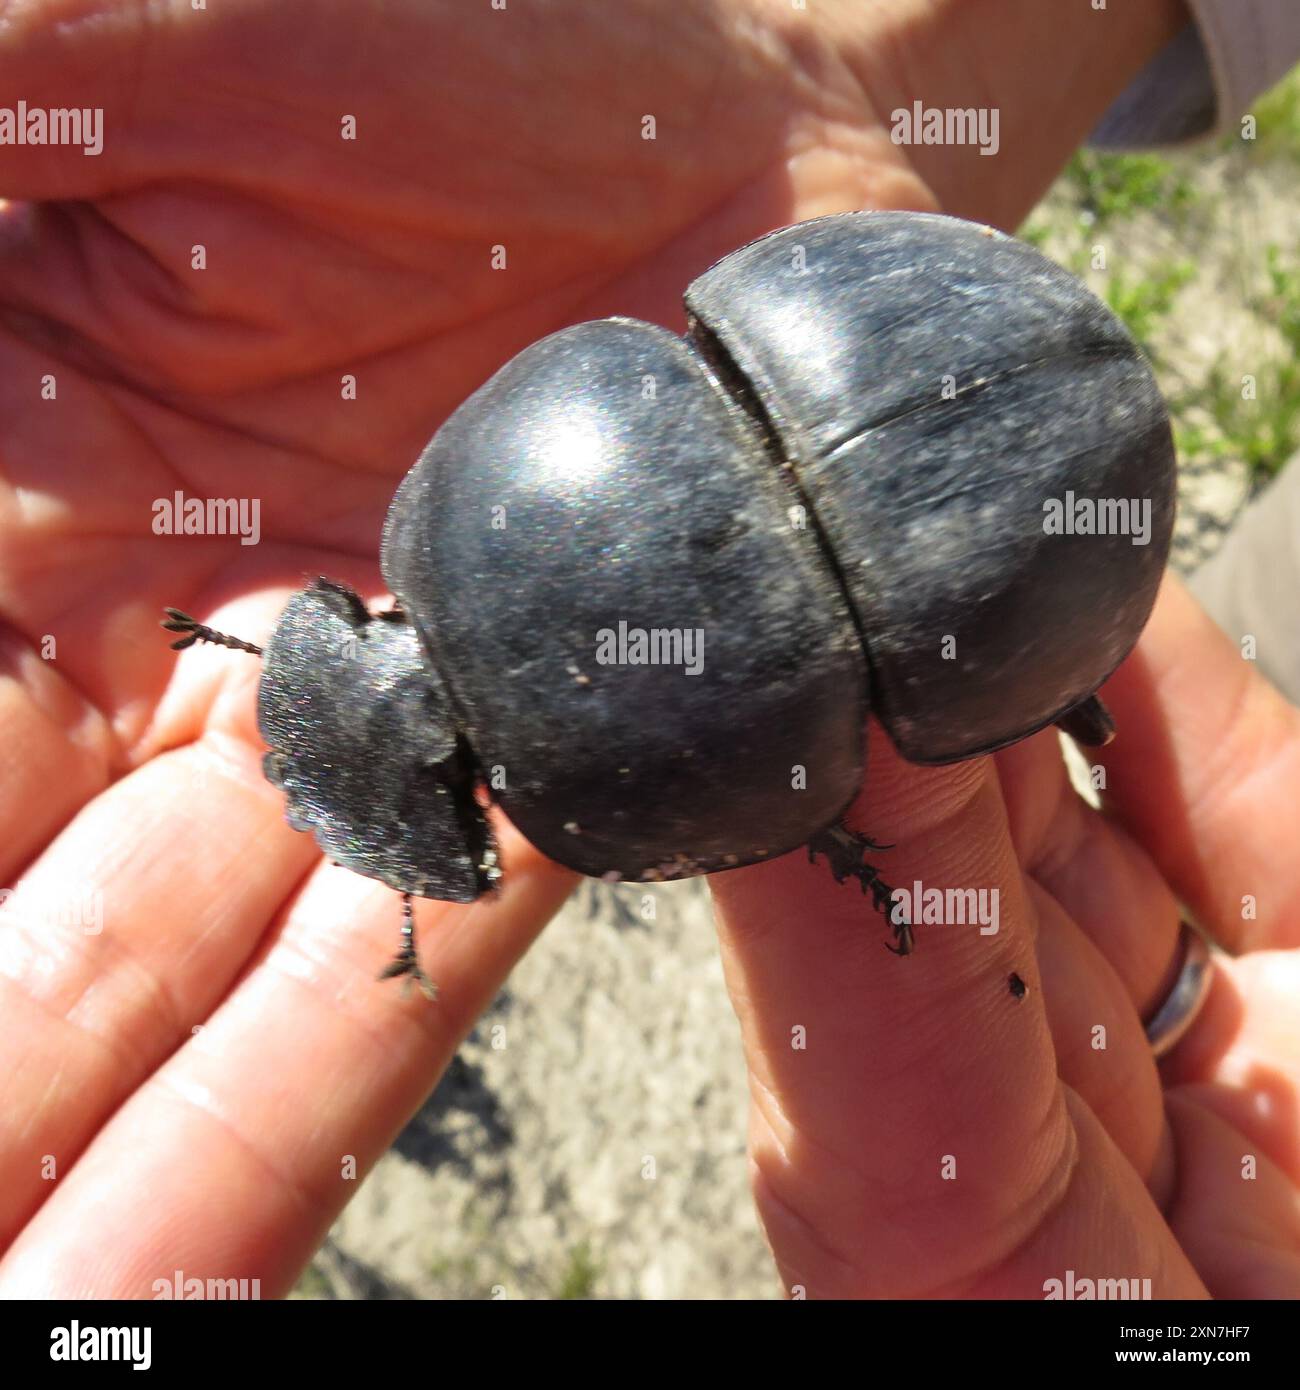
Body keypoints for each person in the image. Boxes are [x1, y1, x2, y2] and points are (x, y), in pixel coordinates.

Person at [0, 0, 1297, 1299]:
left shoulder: (741, 740)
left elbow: (792, 792)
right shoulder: (530, 469)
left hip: (978, 485)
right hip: (909, 345)